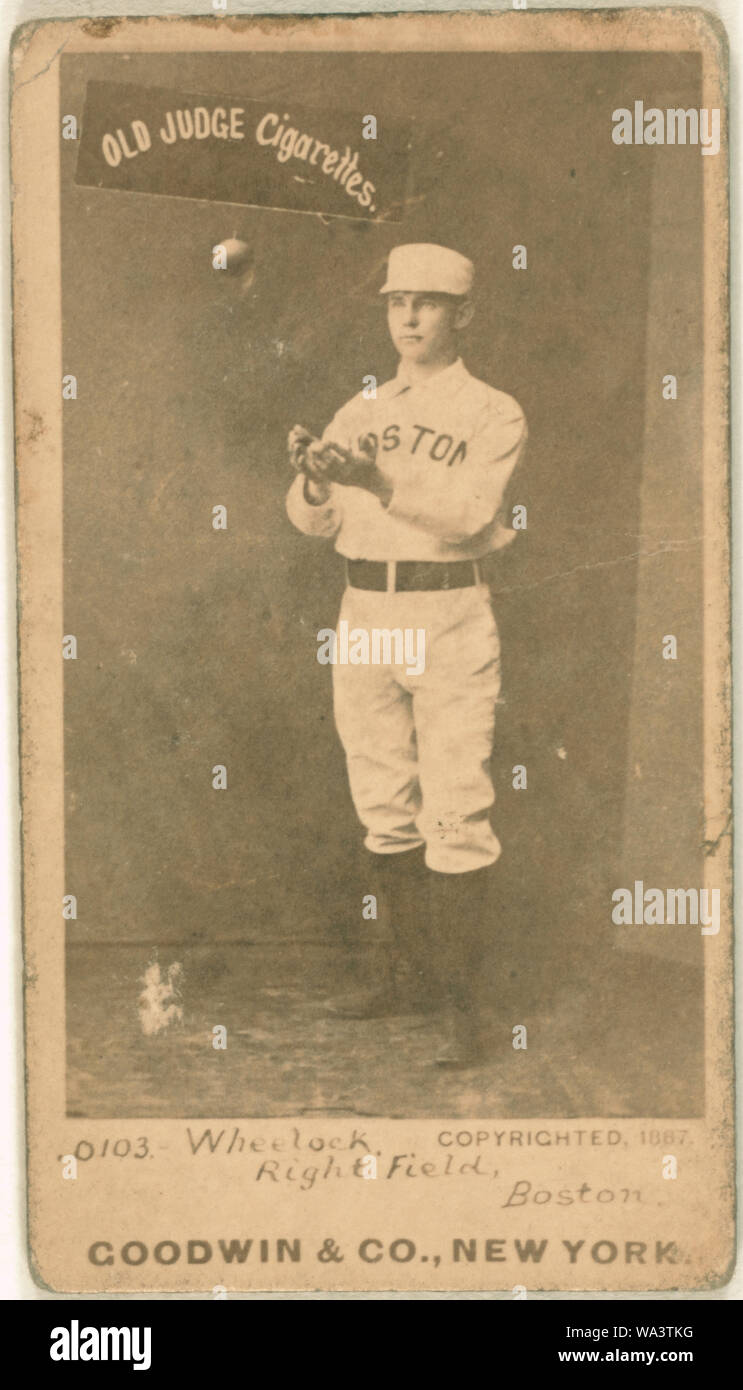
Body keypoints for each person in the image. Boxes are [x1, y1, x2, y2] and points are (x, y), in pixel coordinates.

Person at [286, 242, 527, 1065]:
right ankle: (408, 979)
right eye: (397, 303)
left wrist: (380, 483)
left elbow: (466, 515)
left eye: (427, 302)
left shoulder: (493, 411)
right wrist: (317, 479)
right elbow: (313, 524)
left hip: (446, 610)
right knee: (382, 801)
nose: (410, 317)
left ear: (464, 313)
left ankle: (463, 1012)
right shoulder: (359, 408)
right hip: (364, 607)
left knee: (455, 806)